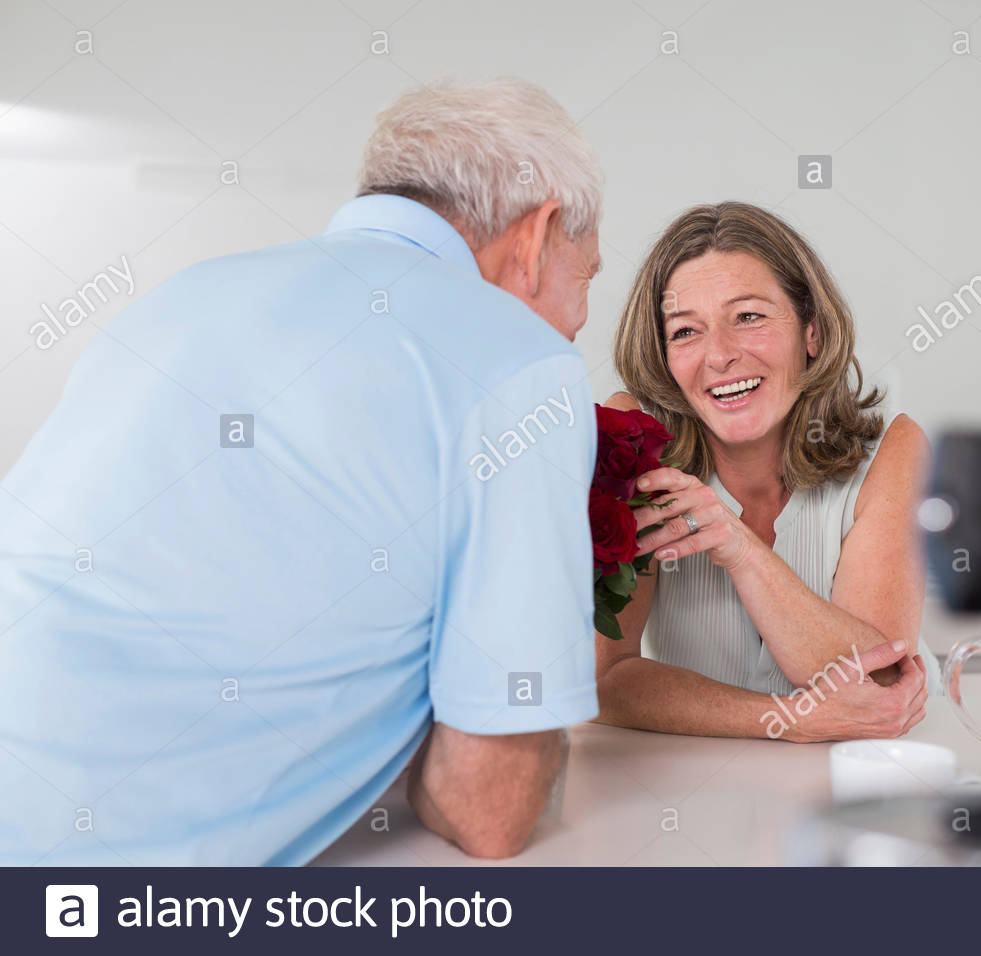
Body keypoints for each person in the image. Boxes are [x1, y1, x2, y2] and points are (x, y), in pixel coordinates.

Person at [0, 79, 604, 864]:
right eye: (585, 277)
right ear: (537, 233)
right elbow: (488, 809)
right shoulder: (524, 365)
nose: (578, 321)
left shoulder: (180, 296)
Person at [596, 202, 940, 742]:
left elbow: (879, 682)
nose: (720, 356)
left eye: (749, 317)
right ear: (664, 358)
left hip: (860, 783)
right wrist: (788, 721)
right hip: (690, 791)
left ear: (813, 333)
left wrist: (736, 546)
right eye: (686, 331)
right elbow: (606, 679)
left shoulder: (896, 452)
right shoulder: (634, 443)